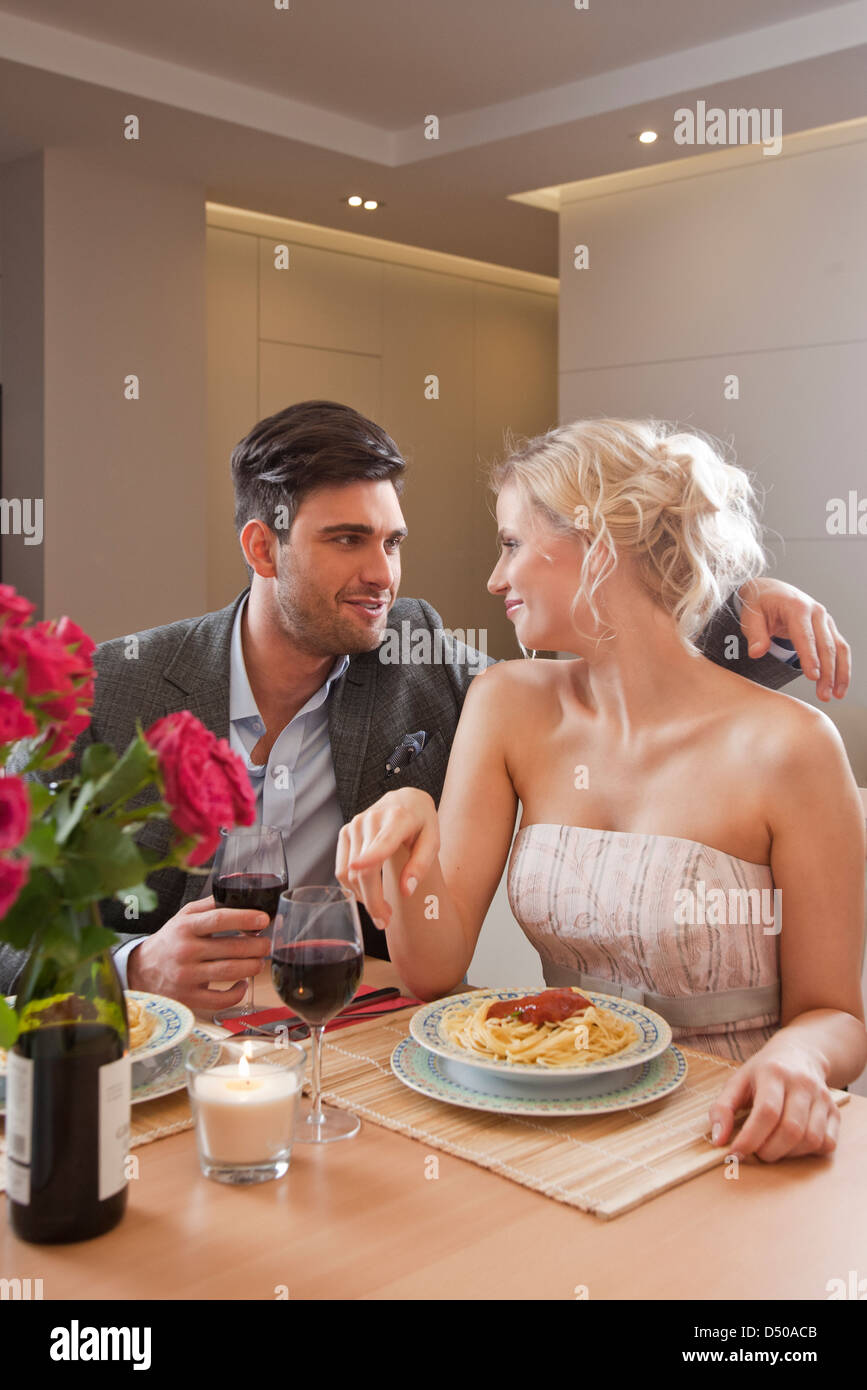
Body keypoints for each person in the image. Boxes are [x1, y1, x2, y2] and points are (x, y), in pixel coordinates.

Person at [0, 404, 852, 1008]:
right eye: (346, 541)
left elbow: (617, 674)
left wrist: (740, 610)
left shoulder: (417, 662)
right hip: (138, 1059)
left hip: (348, 1029)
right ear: (261, 546)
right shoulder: (110, 689)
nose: (382, 574)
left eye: (392, 540)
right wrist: (133, 964)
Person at [336, 418, 866, 1165]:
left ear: (598, 543)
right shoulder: (507, 703)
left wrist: (799, 1060)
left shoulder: (791, 747)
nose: (495, 578)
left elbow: (834, 1014)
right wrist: (415, 836)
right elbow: (429, 972)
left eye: (513, 543)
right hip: (551, 1115)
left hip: (728, 1130)